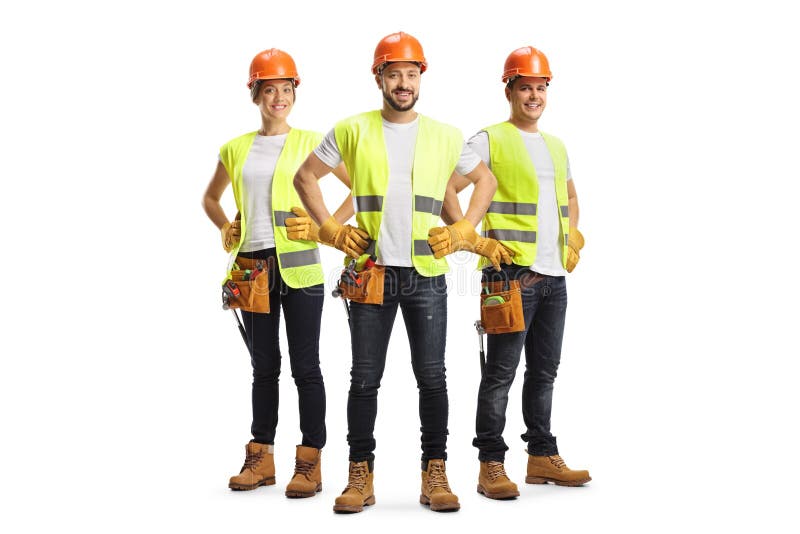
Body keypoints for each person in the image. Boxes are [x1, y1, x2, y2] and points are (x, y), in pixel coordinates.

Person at [293, 32, 499, 513]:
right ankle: (358, 475)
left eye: (411, 74)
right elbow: (305, 176)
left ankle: (436, 472)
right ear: (379, 77)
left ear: (420, 78)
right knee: (364, 378)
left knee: (433, 377)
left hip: (426, 274)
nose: (403, 83)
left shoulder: (446, 135)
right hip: (371, 272)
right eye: (394, 74)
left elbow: (484, 181)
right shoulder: (351, 129)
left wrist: (467, 228)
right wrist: (329, 229)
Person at [201, 48, 355, 499]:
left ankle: (309, 461)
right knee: (263, 366)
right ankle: (261, 457)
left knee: (306, 367)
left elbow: (360, 187)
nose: (279, 98)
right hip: (252, 268)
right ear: (256, 95)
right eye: (270, 90)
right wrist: (225, 225)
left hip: (301, 269)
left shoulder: (311, 141)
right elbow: (210, 199)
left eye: (286, 89)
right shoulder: (235, 148)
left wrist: (328, 226)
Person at [447, 46, 591, 500]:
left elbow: (569, 196)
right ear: (508, 89)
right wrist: (471, 236)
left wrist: (572, 237)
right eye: (525, 86)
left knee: (544, 371)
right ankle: (490, 463)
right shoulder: (488, 139)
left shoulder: (556, 145)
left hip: (554, 276)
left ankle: (541, 456)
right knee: (500, 373)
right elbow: (445, 187)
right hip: (510, 275)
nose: (534, 95)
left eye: (540, 87)